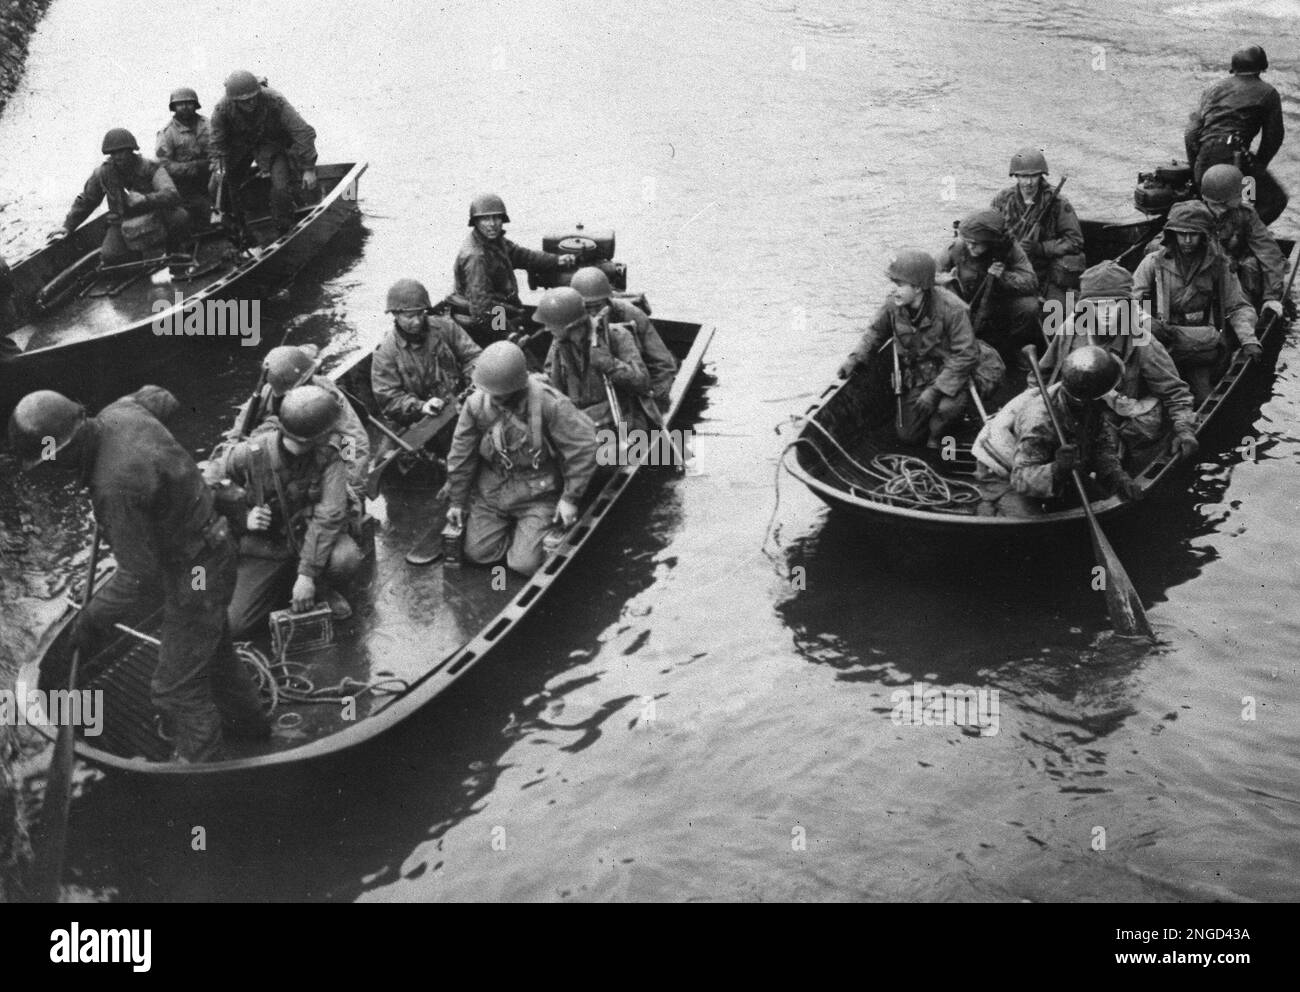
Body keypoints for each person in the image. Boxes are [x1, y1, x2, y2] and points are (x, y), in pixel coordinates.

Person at [6, 387, 267, 762]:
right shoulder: (122, 410)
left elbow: (136, 576)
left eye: (49, 459)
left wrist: (91, 620)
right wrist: (161, 470)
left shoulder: (114, 489)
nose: (51, 467)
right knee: (215, 649)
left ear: (63, 449)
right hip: (214, 544)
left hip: (197, 573)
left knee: (175, 688)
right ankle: (253, 728)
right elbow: (165, 398)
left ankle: (206, 777)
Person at [211, 385, 364, 638]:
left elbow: (329, 517)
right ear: (312, 438)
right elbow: (207, 486)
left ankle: (318, 586)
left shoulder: (331, 456)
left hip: (310, 539)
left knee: (345, 558)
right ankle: (282, 588)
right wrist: (242, 516)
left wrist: (307, 575)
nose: (335, 434)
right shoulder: (249, 454)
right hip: (267, 547)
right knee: (236, 626)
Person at [444, 341, 598, 576]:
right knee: (478, 554)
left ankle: (531, 538)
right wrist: (457, 500)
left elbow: (584, 448)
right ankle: (519, 537)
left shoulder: (549, 403)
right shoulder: (475, 404)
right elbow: (461, 453)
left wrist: (570, 498)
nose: (493, 398)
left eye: (500, 394)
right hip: (493, 489)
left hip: (537, 492)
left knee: (524, 565)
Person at [1040, 261, 1197, 469]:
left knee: (1107, 459)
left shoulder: (1142, 342)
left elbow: (1176, 394)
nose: (1105, 312)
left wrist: (1184, 429)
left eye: (1113, 304)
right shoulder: (1071, 334)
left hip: (1123, 421)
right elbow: (1042, 379)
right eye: (1097, 305)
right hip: (1078, 414)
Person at [973, 347, 1141, 516]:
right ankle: (991, 503)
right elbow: (1021, 478)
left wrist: (1119, 479)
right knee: (1034, 528)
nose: (1115, 395)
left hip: (1048, 461)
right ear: (1090, 396)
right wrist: (1057, 469)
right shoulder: (1039, 419)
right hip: (1003, 472)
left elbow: (1101, 447)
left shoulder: (1088, 403)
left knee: (1102, 501)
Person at [838, 249, 980, 448]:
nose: (894, 290)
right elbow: (875, 333)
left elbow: (967, 354)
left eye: (900, 285)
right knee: (908, 435)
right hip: (919, 375)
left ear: (919, 288)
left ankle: (942, 437)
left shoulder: (952, 308)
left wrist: (935, 391)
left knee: (947, 410)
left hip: (951, 374)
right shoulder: (893, 305)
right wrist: (855, 358)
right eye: (894, 284)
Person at [1131, 200, 1260, 403]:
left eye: (1194, 234)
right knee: (1137, 393)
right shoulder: (1153, 262)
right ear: (1172, 234)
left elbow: (1237, 306)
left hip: (1199, 347)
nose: (1188, 240)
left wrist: (1249, 339)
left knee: (1204, 398)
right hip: (1161, 345)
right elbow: (1130, 302)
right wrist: (1146, 320)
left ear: (1204, 236)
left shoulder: (1219, 266)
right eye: (1182, 233)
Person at [228, 344, 370, 496]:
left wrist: (351, 485)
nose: (311, 384)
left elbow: (351, 437)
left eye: (310, 379)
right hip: (280, 458)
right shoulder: (265, 394)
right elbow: (237, 433)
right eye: (305, 383)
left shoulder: (325, 391)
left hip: (316, 454)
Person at [1184, 45, 1287, 224]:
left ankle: (1216, 237)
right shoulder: (1268, 93)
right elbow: (1273, 138)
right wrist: (1258, 166)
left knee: (1214, 206)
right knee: (1273, 201)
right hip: (1237, 161)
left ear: (1234, 67)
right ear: (1262, 67)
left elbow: (1190, 134)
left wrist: (1196, 168)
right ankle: (1244, 239)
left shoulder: (1212, 88)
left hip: (1205, 160)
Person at [452, 194, 576, 343]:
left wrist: (557, 260)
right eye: (485, 219)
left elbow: (523, 256)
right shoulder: (476, 257)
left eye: (496, 218)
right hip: (486, 321)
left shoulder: (495, 242)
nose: (492, 224)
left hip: (502, 310)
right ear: (476, 222)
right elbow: (482, 307)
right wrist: (508, 335)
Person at [57, 128, 190, 265]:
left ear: (131, 150)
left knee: (180, 217)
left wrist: (146, 199)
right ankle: (138, 264)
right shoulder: (103, 173)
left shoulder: (150, 167)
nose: (117, 156)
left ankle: (174, 250)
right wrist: (67, 226)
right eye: (113, 153)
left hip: (156, 212)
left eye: (121, 151)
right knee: (110, 256)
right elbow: (87, 200)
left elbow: (171, 194)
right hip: (122, 221)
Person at [208, 70, 318, 235]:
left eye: (253, 98)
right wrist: (219, 166)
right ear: (234, 101)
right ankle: (239, 230)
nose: (250, 103)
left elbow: (302, 131)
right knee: (219, 186)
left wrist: (309, 168)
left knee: (280, 188)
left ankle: (284, 226)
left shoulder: (274, 100)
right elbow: (217, 142)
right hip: (239, 147)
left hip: (271, 145)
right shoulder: (222, 109)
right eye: (243, 101)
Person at [536, 286, 651, 432]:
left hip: (620, 423)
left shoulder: (617, 336)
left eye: (551, 324)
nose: (547, 328)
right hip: (580, 425)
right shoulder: (559, 344)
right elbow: (553, 386)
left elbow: (643, 383)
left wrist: (609, 364)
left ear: (570, 325)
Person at [372, 278, 482, 429]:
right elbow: (390, 399)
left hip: (462, 400)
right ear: (395, 315)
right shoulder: (385, 354)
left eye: (420, 314)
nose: (417, 321)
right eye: (410, 317)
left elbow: (472, 356)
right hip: (426, 421)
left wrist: (474, 379)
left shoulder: (444, 326)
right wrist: (421, 407)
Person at [990, 147, 1085, 318]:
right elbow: (990, 233)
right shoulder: (1003, 200)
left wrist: (1040, 248)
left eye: (1033, 176)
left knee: (1058, 314)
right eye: (1023, 176)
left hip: (1047, 272)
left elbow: (1075, 240)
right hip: (1013, 269)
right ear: (1016, 176)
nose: (1028, 182)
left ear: (1041, 176)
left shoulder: (1057, 203)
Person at [936, 209, 1040, 364]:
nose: (970, 247)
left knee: (1030, 307)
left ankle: (1012, 349)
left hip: (999, 306)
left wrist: (1004, 277)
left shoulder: (1009, 248)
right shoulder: (956, 248)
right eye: (968, 242)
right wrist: (943, 280)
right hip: (966, 306)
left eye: (976, 244)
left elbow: (1031, 281)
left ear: (990, 242)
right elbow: (932, 275)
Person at [570, 266, 677, 408]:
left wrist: (655, 398)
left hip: (634, 377)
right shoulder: (572, 319)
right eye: (587, 308)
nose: (594, 313)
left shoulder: (631, 314)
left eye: (598, 306)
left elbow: (663, 364)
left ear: (608, 300)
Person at [1198, 164, 1287, 316]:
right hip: (1201, 276)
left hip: (1232, 273)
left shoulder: (1244, 214)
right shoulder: (1193, 216)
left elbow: (1268, 252)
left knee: (1250, 265)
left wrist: (1272, 296)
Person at [156, 86, 212, 225]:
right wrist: (193, 167)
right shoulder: (167, 133)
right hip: (186, 184)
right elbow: (164, 165)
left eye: (189, 103)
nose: (185, 107)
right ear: (174, 107)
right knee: (206, 209)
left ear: (195, 105)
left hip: (210, 174)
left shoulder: (208, 124)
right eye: (180, 104)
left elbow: (219, 146)